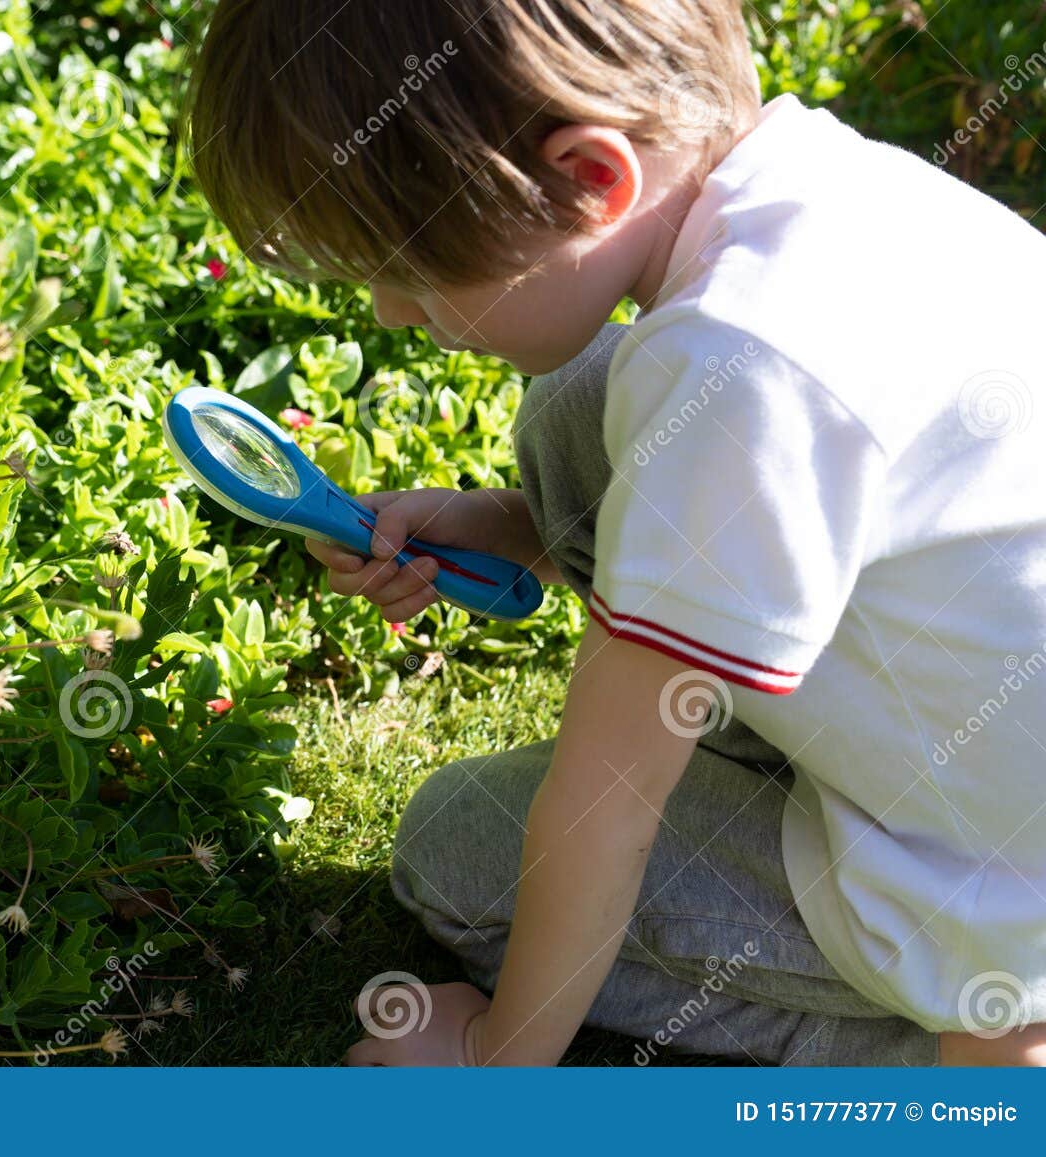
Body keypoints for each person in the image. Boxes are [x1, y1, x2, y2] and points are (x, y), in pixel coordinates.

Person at [184, 0, 1046, 1065]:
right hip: (996, 756)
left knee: (461, 848)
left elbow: (606, 807)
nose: (391, 314)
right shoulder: (840, 193)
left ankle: (971, 1049)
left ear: (594, 176)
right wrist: (506, 530)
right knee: (581, 404)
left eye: (406, 269)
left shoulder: (733, 376)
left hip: (990, 889)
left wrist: (493, 1062)